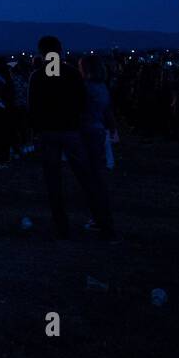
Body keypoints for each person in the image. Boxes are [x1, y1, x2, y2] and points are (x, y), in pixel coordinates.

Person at [29, 36, 115, 240]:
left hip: (48, 132)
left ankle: (61, 228)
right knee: (85, 179)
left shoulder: (37, 76)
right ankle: (104, 225)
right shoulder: (72, 73)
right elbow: (82, 102)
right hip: (71, 131)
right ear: (60, 50)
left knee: (53, 181)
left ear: (42, 53)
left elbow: (32, 107)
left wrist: (36, 129)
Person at [79, 56, 117, 176]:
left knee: (89, 166)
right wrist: (112, 128)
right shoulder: (102, 86)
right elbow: (107, 110)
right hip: (99, 128)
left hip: (86, 128)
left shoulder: (85, 87)